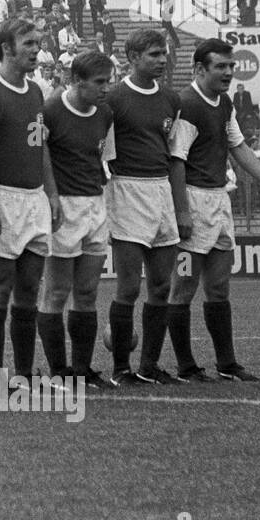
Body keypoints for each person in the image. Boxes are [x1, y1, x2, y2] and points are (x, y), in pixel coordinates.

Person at [165, 40, 260, 383]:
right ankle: (186, 366)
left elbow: (238, 145)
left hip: (219, 200)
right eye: (221, 67)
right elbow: (176, 161)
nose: (229, 72)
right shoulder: (188, 104)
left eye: (231, 67)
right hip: (193, 201)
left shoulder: (224, 102)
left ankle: (227, 364)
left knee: (219, 286)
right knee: (183, 287)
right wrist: (182, 212)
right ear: (200, 69)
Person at [104, 28, 187, 385]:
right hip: (127, 190)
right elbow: (102, 153)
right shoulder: (114, 98)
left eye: (164, 54)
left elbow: (173, 155)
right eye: (154, 54)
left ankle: (149, 366)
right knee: (128, 287)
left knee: (160, 286)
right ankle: (121, 369)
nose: (162, 60)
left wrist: (181, 207)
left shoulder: (171, 99)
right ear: (133, 57)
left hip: (161, 192)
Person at [0, 16, 60, 382]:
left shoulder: (36, 90)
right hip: (1, 196)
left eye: (37, 42)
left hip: (34, 199)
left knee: (29, 290)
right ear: (5, 49)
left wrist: (52, 192)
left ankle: (25, 374)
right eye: (28, 43)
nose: (36, 49)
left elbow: (40, 145)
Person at [37, 51, 119, 390]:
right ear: (77, 81)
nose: (105, 89)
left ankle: (83, 371)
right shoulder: (50, 111)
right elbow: (38, 155)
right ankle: (59, 372)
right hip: (62, 207)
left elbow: (106, 161)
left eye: (108, 81)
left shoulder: (105, 113)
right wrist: (52, 197)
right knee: (56, 292)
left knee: (86, 292)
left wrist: (108, 207)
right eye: (99, 83)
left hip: (95, 204)